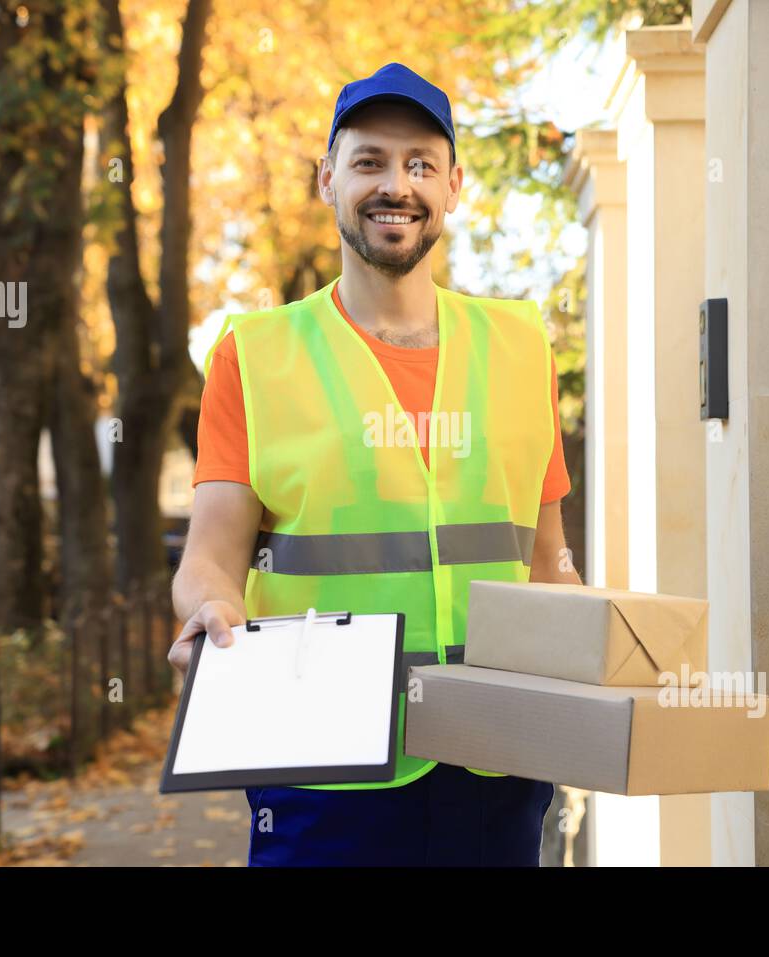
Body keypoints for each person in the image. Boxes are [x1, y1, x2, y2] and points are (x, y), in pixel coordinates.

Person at [170, 61, 582, 866]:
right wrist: (211, 611)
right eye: (369, 162)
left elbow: (549, 561)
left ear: (453, 185)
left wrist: (596, 677)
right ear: (328, 179)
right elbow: (211, 559)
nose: (397, 184)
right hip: (321, 769)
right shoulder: (253, 357)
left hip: (494, 762)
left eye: (420, 163)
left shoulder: (520, 347)